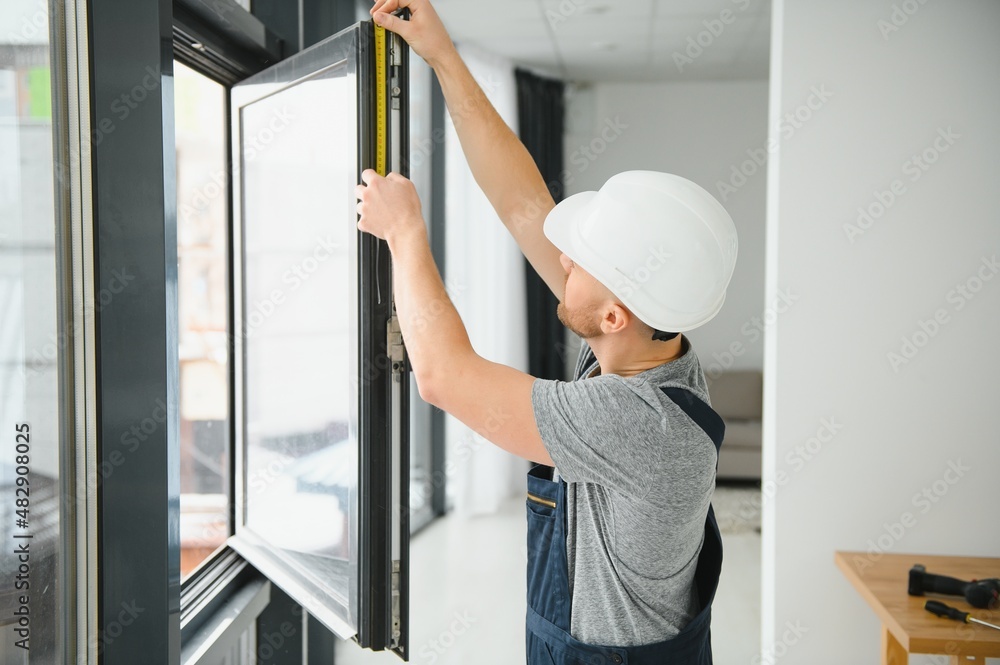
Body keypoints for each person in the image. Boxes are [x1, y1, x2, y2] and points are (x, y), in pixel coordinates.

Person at [356, 1, 738, 662]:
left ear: (614, 314)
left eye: (580, 262)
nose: (562, 257)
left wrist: (406, 234)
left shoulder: (637, 420)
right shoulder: (649, 344)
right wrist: (444, 56)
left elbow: (444, 377)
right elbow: (523, 202)